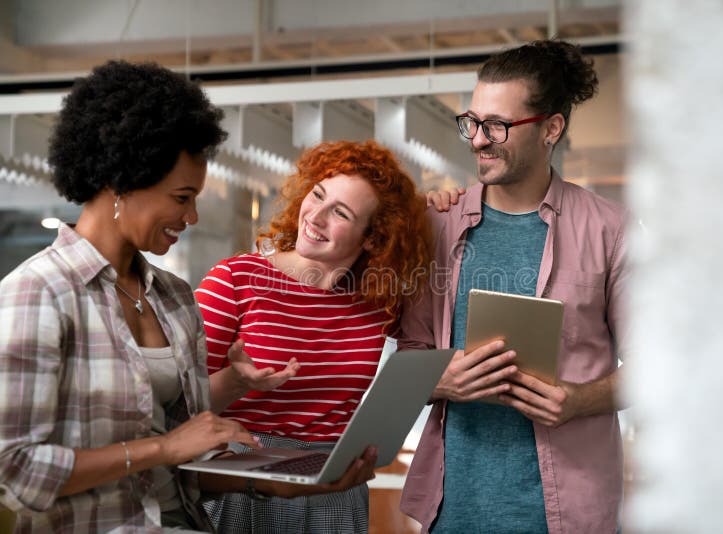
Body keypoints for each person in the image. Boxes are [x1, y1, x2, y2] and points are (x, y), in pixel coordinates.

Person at [0, 60, 375, 533]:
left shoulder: (174, 299)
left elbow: (187, 469)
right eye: (181, 197)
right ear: (122, 180)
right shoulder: (38, 293)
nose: (193, 216)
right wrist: (163, 448)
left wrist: (279, 485)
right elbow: (15, 472)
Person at [400, 40, 630, 533]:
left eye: (497, 126)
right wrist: (439, 379)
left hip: (566, 515)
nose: (479, 140)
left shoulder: (612, 232)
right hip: (451, 513)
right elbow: (409, 355)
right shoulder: (436, 225)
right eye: (473, 122)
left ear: (551, 128)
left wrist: (579, 399)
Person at [195, 139, 431, 534]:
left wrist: (440, 208)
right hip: (244, 478)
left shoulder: (381, 305)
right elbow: (176, 408)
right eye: (317, 195)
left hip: (335, 485)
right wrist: (236, 383)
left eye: (339, 212)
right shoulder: (235, 279)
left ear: (373, 238)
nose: (315, 216)